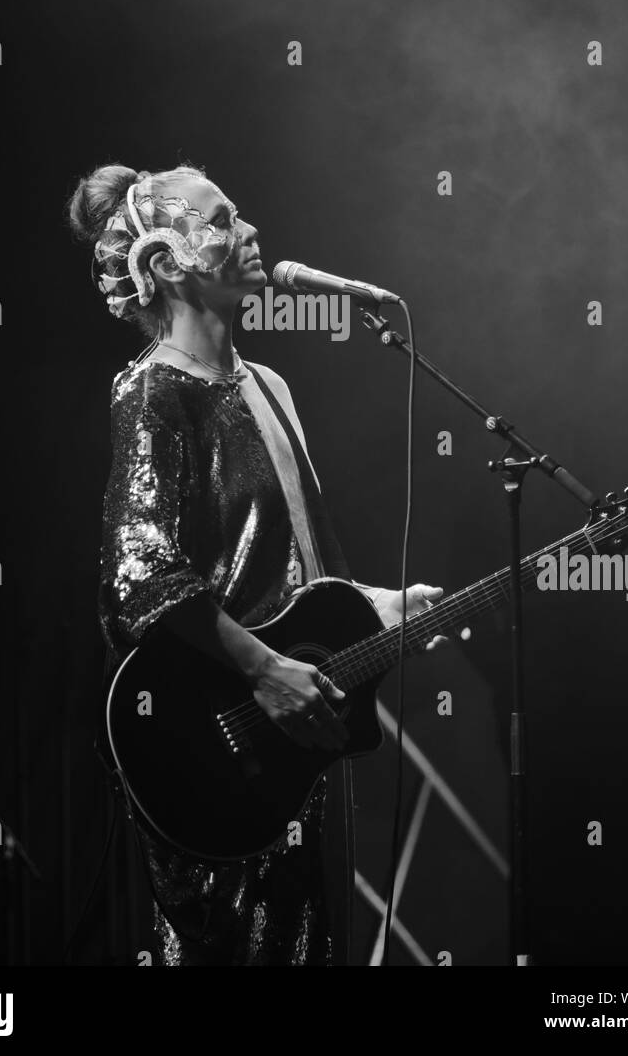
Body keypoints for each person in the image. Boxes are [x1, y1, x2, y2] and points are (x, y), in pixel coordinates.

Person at [68, 160, 446, 966]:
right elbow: (140, 575)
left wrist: (382, 604)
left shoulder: (269, 385)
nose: (249, 234)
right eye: (222, 220)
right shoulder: (151, 393)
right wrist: (264, 669)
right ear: (167, 264)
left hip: (293, 744)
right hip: (214, 744)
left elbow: (304, 577)